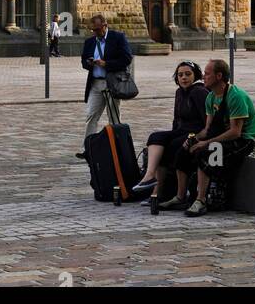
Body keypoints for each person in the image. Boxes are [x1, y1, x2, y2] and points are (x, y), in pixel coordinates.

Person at [158, 58, 255, 216]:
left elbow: (235, 132)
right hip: (220, 137)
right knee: (183, 151)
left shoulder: (235, 96)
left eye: (207, 73)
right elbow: (207, 129)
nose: (203, 76)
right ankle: (180, 197)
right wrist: (194, 139)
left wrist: (205, 143)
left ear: (219, 76)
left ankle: (201, 200)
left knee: (206, 153)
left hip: (242, 141)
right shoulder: (211, 97)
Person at [132, 61, 209, 195]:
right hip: (181, 131)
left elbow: (207, 121)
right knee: (155, 137)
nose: (183, 78)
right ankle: (149, 177)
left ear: (195, 75)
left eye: (187, 74)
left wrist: (200, 137)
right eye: (180, 75)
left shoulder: (199, 91)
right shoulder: (179, 92)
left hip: (195, 132)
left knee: (171, 146)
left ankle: (159, 193)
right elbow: (176, 119)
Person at [77, 12, 133, 158]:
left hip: (111, 84)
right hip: (95, 84)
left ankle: (117, 147)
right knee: (91, 116)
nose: (95, 32)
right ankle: (88, 149)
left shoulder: (117, 38)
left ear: (105, 26)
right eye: (93, 30)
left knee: (113, 117)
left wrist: (106, 64)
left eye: (97, 29)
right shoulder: (90, 42)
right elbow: (83, 61)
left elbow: (127, 58)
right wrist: (88, 63)